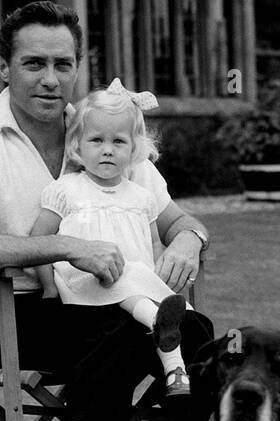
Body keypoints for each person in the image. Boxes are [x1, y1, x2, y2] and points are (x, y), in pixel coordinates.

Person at [0, 0, 212, 421]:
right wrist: (65, 246)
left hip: (104, 316)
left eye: (63, 64)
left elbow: (177, 220)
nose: (50, 78)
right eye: (33, 64)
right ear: (3, 68)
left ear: (77, 67)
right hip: (7, 315)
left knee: (176, 327)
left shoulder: (107, 134)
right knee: (162, 330)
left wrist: (190, 241)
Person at [29, 79, 191, 388]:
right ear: (77, 145)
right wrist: (48, 287)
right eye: (96, 141)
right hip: (85, 284)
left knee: (146, 288)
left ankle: (176, 372)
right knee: (135, 286)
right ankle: (160, 324)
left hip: (130, 287)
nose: (107, 150)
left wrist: (158, 278)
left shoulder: (141, 197)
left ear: (134, 150)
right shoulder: (66, 190)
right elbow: (39, 243)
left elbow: (154, 245)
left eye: (118, 142)